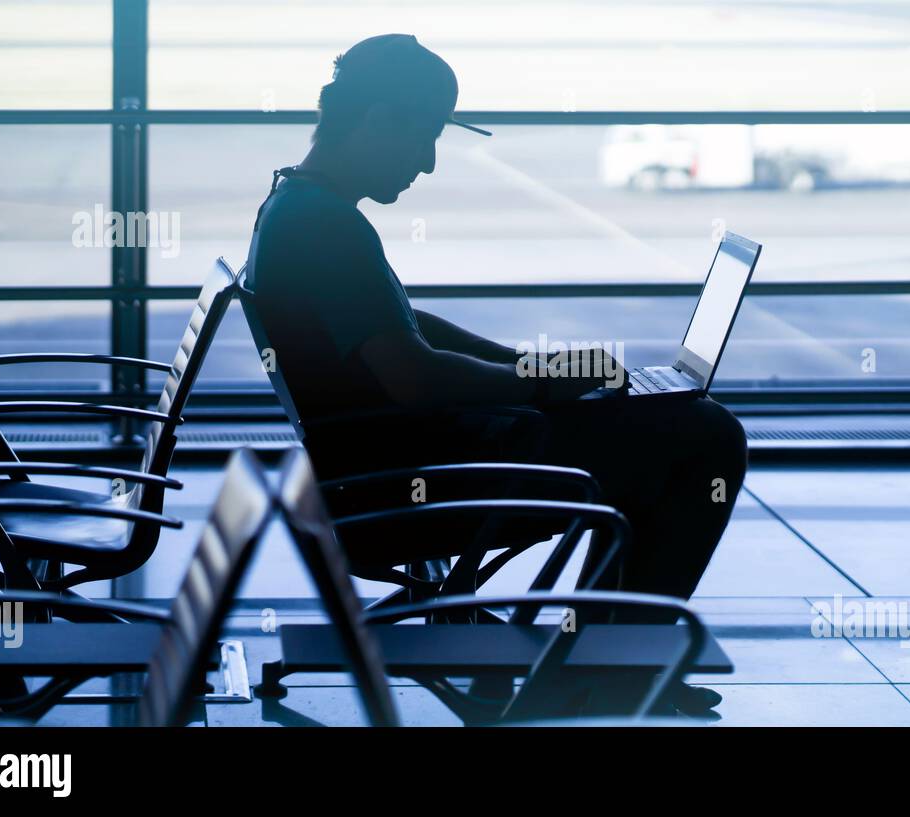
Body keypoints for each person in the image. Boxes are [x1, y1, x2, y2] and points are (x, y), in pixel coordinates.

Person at [246, 34, 747, 715]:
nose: (425, 163)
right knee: (705, 435)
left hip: (382, 465)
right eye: (421, 139)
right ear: (375, 122)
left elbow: (408, 330)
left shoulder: (295, 208)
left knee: (645, 424)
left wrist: (533, 369)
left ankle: (612, 653)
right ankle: (617, 660)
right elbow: (416, 376)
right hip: (406, 488)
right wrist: (542, 383)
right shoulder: (325, 227)